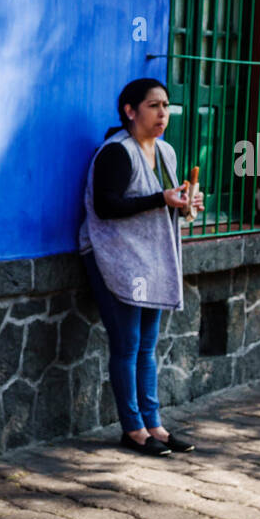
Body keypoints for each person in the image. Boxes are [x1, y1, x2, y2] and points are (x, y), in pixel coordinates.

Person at [76, 78, 204, 457]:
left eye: (166, 105)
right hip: (115, 256)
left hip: (150, 257)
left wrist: (182, 205)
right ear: (130, 111)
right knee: (127, 344)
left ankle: (155, 425)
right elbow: (105, 206)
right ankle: (132, 429)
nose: (163, 113)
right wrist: (159, 199)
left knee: (148, 346)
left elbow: (159, 202)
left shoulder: (166, 153)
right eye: (153, 105)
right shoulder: (116, 153)